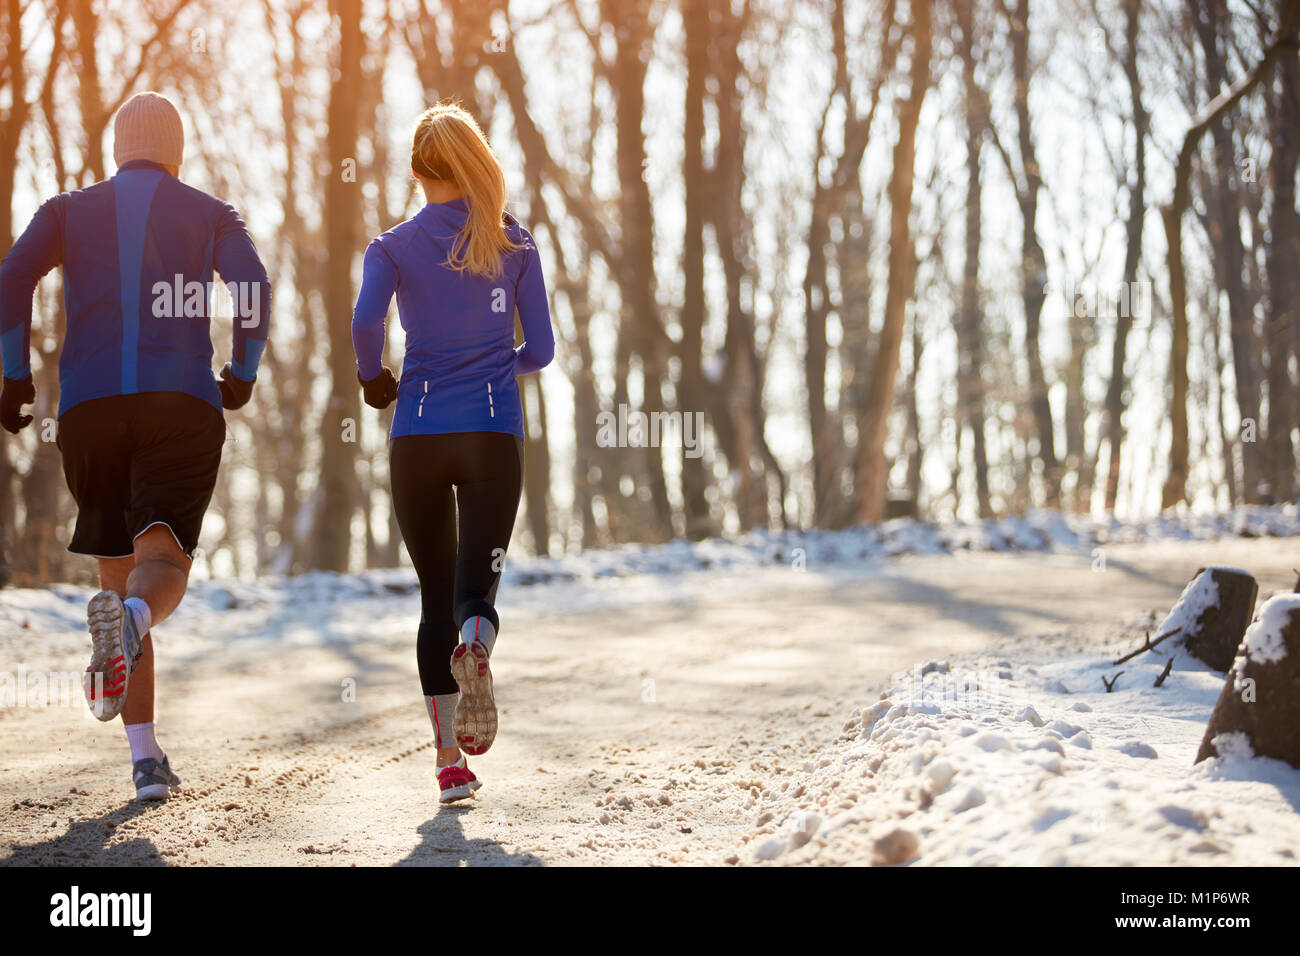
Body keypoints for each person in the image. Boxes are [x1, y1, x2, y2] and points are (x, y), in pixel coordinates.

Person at [0, 92, 271, 801]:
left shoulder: (65, 210)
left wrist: (14, 378)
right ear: (176, 151)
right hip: (179, 403)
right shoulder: (210, 213)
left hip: (88, 410)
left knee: (117, 578)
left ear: (116, 149)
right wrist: (240, 373)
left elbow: (10, 278)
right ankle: (136, 630)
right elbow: (252, 287)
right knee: (161, 564)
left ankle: (146, 760)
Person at [351, 102, 554, 804]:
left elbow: (365, 320)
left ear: (415, 171)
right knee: (477, 591)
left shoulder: (393, 246)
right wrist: (500, 362)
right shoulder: (512, 241)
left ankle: (448, 765)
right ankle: (477, 641)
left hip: (418, 435)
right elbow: (545, 350)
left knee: (432, 599)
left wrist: (375, 377)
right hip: (493, 435)